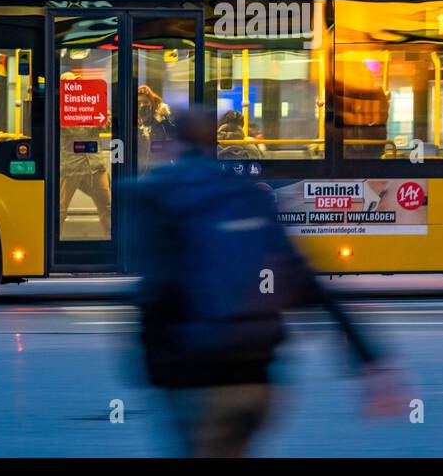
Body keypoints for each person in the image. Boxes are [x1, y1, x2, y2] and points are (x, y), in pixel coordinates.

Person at [132, 110, 403, 457]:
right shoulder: (248, 194)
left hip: (197, 377)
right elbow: (305, 279)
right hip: (259, 379)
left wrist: (153, 369)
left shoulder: (162, 193)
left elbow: (156, 291)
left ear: (174, 143)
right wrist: (368, 359)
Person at [59, 72, 112, 236]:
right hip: (71, 167)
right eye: (72, 85)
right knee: (60, 210)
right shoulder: (60, 108)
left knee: (107, 206)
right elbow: (77, 131)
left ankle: (113, 242)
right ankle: (52, 245)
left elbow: (108, 122)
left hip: (94, 165)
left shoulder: (90, 101)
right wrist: (94, 120)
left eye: (78, 84)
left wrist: (93, 118)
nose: (76, 87)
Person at [137, 85, 173, 172]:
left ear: (152, 104)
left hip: (160, 171)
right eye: (138, 103)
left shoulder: (160, 122)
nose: (142, 105)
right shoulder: (132, 125)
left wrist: (161, 120)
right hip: (139, 172)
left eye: (145, 102)